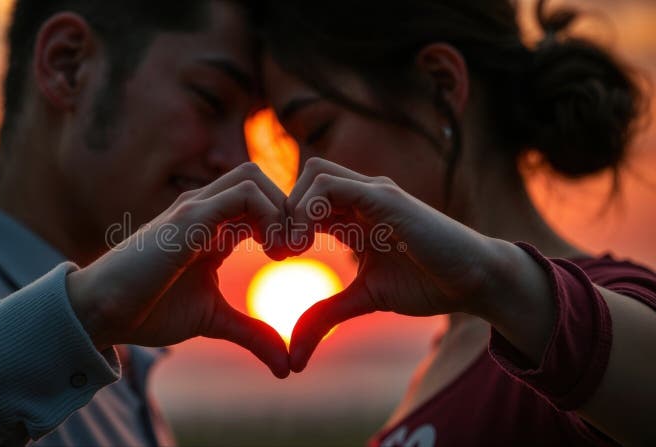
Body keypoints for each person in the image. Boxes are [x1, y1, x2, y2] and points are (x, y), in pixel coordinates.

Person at [0, 1, 291, 445]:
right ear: (68, 66)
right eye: (210, 99)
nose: (239, 160)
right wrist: (91, 312)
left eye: (250, 126)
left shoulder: (121, 359)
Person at [257, 0, 656, 445]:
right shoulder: (451, 351)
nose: (299, 186)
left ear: (441, 85)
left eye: (316, 130)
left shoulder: (598, 313)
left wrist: (487, 280)